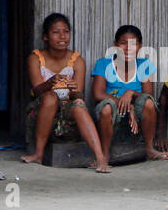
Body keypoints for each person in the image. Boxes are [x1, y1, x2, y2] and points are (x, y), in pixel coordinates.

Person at [22, 13, 110, 172]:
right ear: (45, 37)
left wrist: (74, 90)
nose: (62, 36)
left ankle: (100, 158)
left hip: (67, 109)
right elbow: (36, 91)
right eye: (56, 32)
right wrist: (49, 84)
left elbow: (78, 96)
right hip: (43, 108)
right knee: (50, 97)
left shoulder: (77, 60)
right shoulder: (35, 58)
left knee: (79, 106)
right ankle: (38, 153)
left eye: (66, 31)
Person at [91, 24, 168, 162]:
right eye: (123, 43)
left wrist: (130, 93)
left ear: (140, 46)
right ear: (115, 45)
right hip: (113, 117)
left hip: (138, 123)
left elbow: (149, 95)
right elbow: (98, 94)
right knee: (106, 107)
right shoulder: (104, 64)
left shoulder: (144, 64)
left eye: (133, 44)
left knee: (147, 102)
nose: (128, 48)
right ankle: (104, 154)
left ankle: (149, 148)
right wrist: (128, 107)